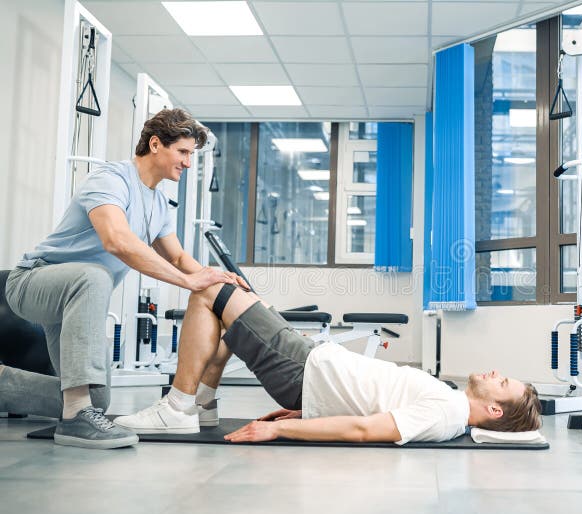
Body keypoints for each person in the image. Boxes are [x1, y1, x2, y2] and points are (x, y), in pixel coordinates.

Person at [1, 109, 248, 449]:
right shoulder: (111, 178)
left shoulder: (160, 203)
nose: (188, 163)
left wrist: (213, 278)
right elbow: (116, 239)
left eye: (191, 154)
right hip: (33, 282)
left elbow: (176, 256)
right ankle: (75, 422)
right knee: (94, 276)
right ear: (156, 144)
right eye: (184, 152)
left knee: (95, 400)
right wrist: (186, 282)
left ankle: (12, 388)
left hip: (75, 296)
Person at [115, 283, 543, 445]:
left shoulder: (445, 413)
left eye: (502, 382)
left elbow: (363, 430)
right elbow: (373, 403)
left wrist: (280, 427)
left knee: (209, 292)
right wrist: (309, 411)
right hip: (310, 372)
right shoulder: (448, 404)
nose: (493, 373)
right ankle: (200, 408)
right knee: (226, 320)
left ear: (494, 410)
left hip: (304, 369)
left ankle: (176, 408)